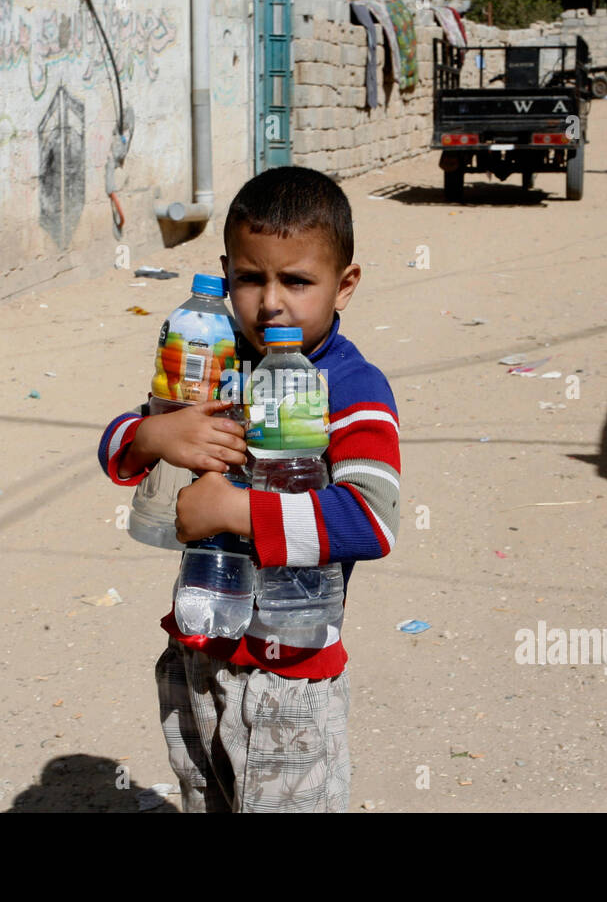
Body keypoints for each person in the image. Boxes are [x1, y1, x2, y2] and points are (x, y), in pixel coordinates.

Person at [96, 166, 401, 812]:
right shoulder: (217, 362)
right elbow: (120, 450)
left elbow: (372, 521)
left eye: (296, 280)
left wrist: (232, 508)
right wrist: (156, 436)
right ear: (225, 272)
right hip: (200, 646)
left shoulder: (352, 387)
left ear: (344, 285)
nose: (270, 302)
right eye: (249, 277)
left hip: (290, 673)